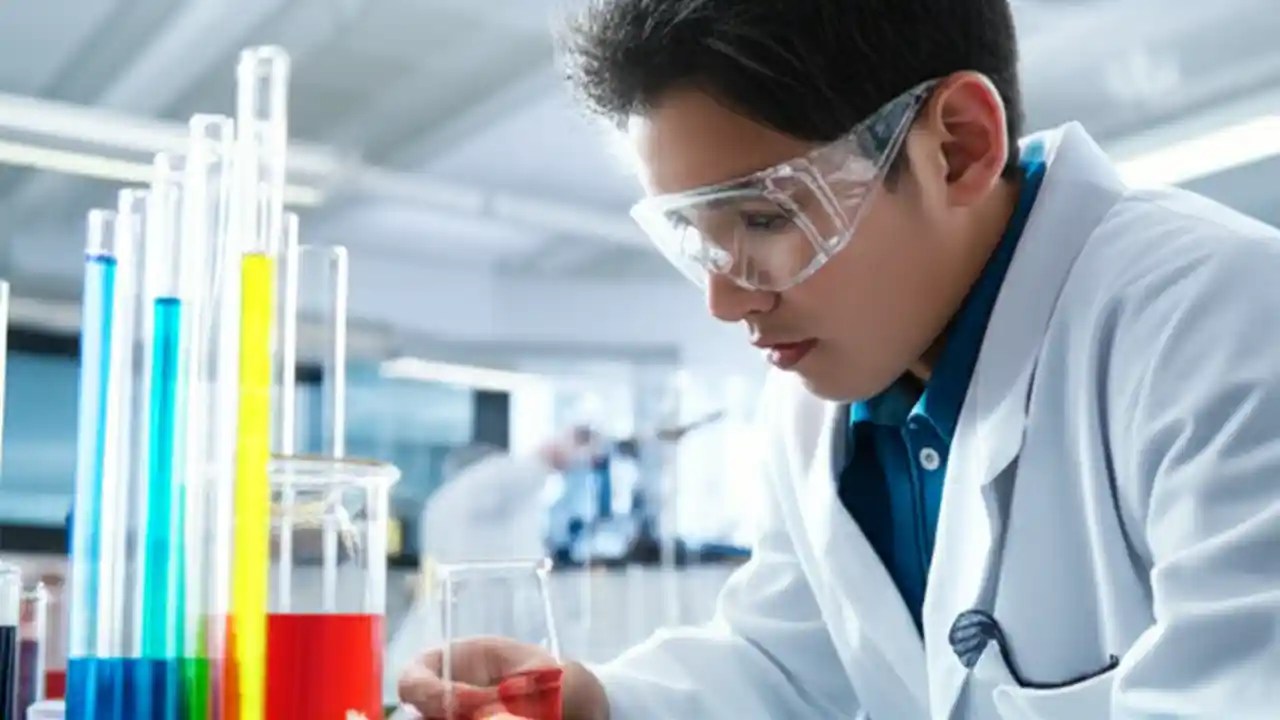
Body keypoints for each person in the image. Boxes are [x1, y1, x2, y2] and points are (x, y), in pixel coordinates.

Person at [399, 1, 1280, 718]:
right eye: (696, 240)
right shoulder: (820, 396)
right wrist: (601, 705)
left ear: (958, 147)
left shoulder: (1219, 319)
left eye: (770, 219)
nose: (726, 300)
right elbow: (788, 661)